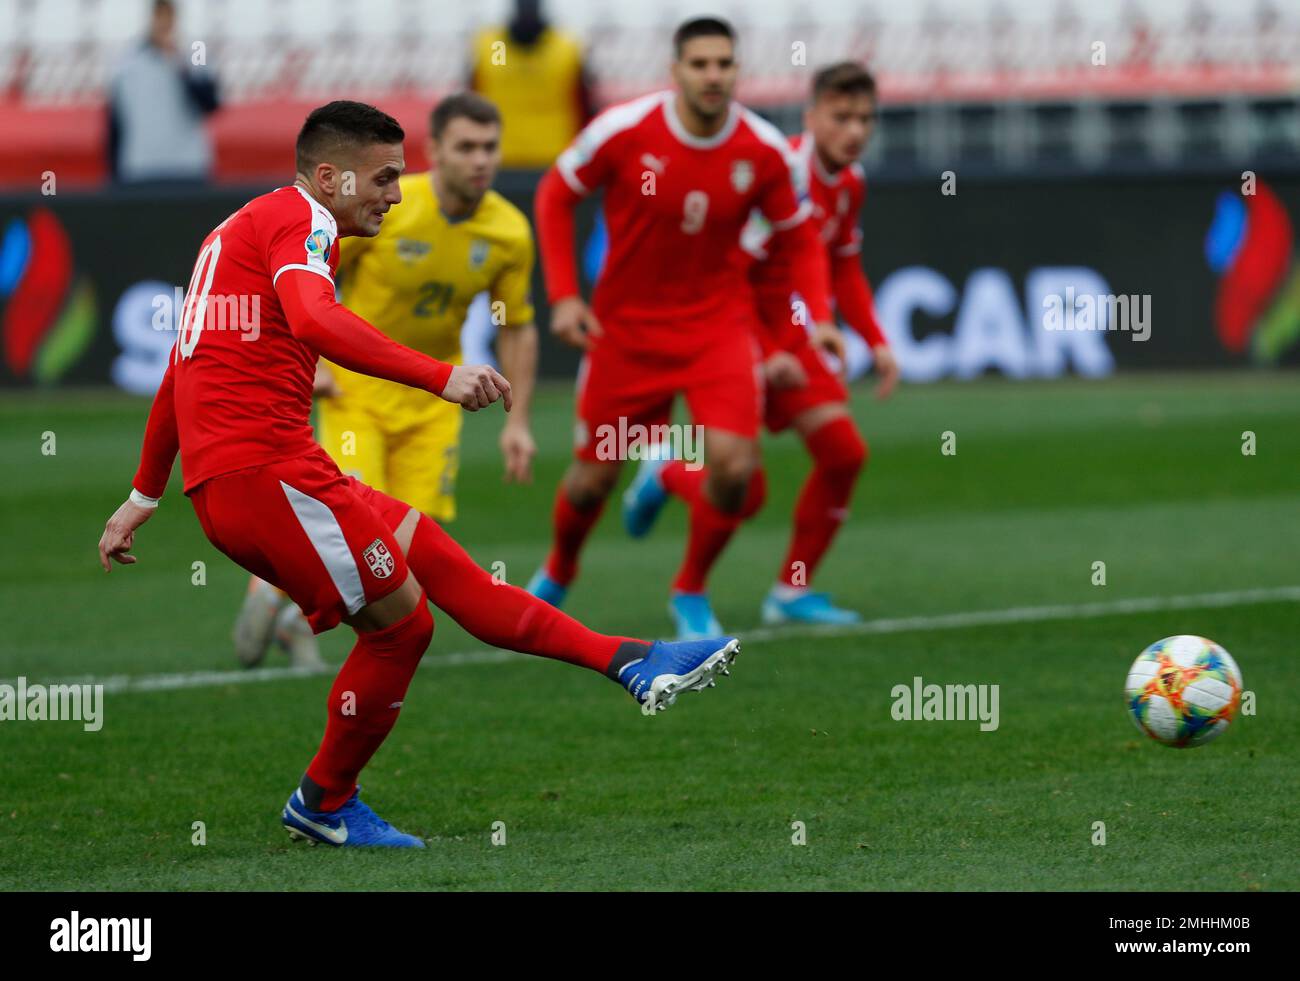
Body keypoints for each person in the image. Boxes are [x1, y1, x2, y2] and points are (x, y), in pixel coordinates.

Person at [97, 101, 740, 849]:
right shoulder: (303, 222)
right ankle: (324, 800)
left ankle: (630, 658)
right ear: (330, 176)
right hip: (267, 476)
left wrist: (144, 494)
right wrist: (440, 376)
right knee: (403, 627)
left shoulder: (233, 233)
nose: (397, 195)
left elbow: (181, 368)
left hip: (269, 473)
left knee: (441, 563)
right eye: (385, 178)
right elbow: (312, 321)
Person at [525, 17, 837, 640]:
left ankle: (690, 590)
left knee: (733, 468)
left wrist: (820, 319)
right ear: (676, 72)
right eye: (700, 64)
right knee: (592, 480)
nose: (713, 75)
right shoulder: (624, 131)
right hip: (625, 332)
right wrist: (562, 298)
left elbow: (799, 236)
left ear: (736, 70)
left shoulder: (764, 150)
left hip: (716, 330)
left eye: (724, 63)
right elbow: (556, 194)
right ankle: (558, 572)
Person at [233, 92, 539, 670]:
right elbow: (311, 290)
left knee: (411, 542)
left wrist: (517, 421)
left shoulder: (509, 233)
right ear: (438, 151)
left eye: (490, 148)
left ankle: (296, 621)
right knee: (354, 518)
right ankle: (270, 591)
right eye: (466, 147)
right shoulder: (386, 204)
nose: (481, 160)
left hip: (433, 401)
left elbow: (518, 327)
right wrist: (318, 363)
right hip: (359, 387)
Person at [625, 61, 900, 625]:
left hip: (792, 336)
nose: (855, 131)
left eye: (865, 119)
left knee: (845, 454)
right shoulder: (779, 172)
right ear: (812, 116)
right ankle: (682, 552)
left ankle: (790, 592)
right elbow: (730, 270)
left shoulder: (849, 182)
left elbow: (842, 262)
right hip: (733, 329)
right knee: (745, 488)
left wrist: (875, 338)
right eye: (842, 117)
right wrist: (766, 351)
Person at [469, 0, 594, 169]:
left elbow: (471, 104)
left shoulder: (492, 46)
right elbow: (586, 108)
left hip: (538, 157)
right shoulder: (565, 47)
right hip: (528, 156)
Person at [107, 0, 219, 184]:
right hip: (141, 168)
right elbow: (116, 121)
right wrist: (113, 173)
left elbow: (210, 103)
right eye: (160, 16)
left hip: (187, 166)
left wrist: (179, 64)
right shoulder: (128, 60)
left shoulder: (194, 54)